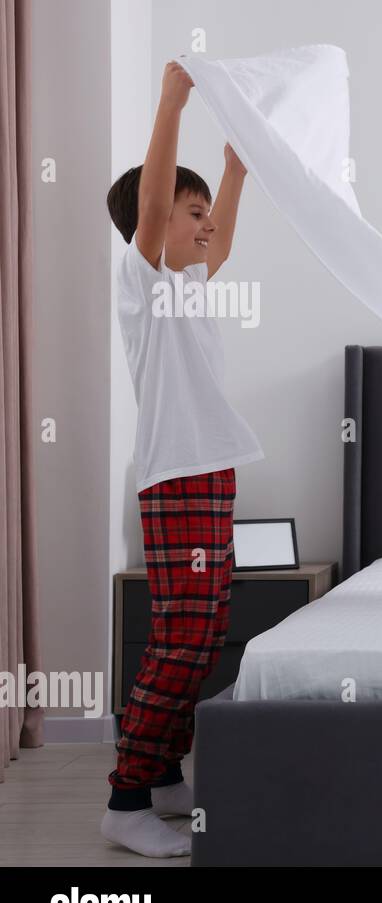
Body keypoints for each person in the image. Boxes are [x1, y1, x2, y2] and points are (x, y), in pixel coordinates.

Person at [102, 60, 263, 856]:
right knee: (182, 634)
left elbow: (221, 236)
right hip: (177, 477)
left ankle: (163, 773)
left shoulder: (192, 285)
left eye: (204, 215)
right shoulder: (143, 281)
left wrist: (234, 172)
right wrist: (172, 102)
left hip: (212, 472)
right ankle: (126, 795)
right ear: (152, 224)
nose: (203, 226)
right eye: (189, 213)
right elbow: (160, 202)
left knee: (205, 632)